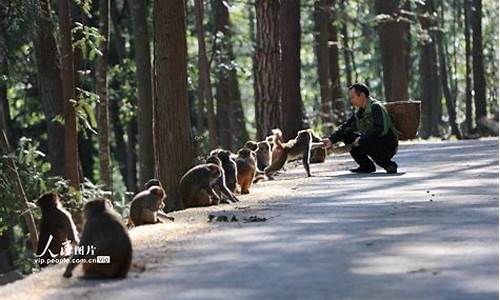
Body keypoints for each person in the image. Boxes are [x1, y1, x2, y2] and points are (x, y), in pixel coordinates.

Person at [322, 83, 399, 173]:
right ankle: (366, 166)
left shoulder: (376, 107)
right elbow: (345, 127)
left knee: (363, 140)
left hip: (388, 144)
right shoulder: (360, 113)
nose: (351, 101)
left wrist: (362, 138)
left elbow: (380, 129)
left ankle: (389, 165)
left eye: (353, 97)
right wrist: (331, 140)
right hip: (373, 141)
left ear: (362, 95)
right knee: (347, 136)